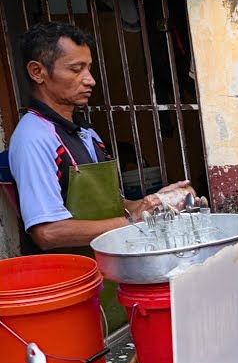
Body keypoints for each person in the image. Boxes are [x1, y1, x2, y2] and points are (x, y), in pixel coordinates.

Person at [7, 22, 189, 252]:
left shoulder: (85, 132)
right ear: (37, 72)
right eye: (76, 70)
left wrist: (155, 203)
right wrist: (133, 222)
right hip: (74, 276)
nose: (90, 80)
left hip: (106, 267)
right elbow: (48, 232)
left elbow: (108, 207)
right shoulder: (34, 137)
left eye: (89, 69)